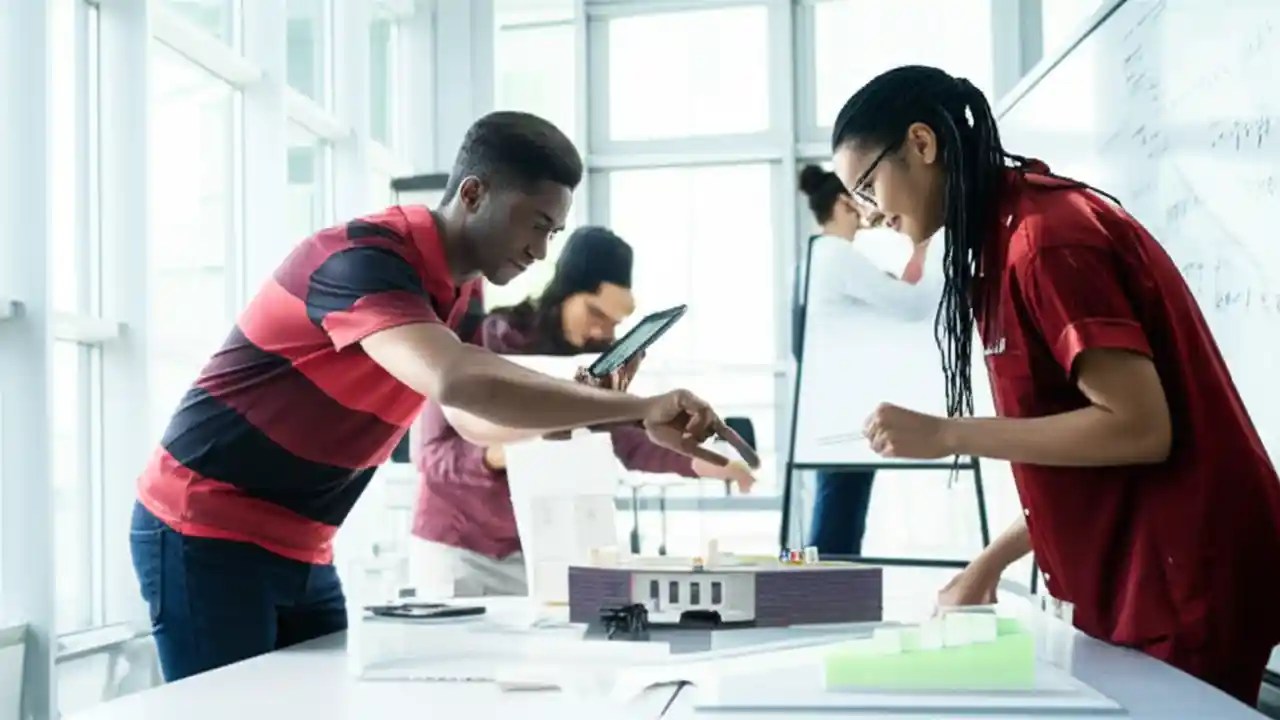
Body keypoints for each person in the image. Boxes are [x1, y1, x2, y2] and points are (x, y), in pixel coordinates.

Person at [129, 111, 753, 682]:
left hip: (302, 543)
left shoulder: (459, 288)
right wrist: (637, 408)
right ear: (473, 193)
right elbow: (456, 379)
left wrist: (596, 408)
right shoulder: (361, 258)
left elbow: (471, 418)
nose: (541, 252)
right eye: (536, 225)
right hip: (203, 522)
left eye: (554, 233)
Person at [831, 65, 1280, 704]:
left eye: (867, 187)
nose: (871, 215)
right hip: (1148, 572)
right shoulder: (1003, 238)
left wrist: (949, 434)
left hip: (1187, 576)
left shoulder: (1045, 240)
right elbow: (1071, 443)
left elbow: (1138, 428)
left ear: (922, 144)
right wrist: (989, 563)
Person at [410, 226, 756, 597]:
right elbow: (431, 456)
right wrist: (504, 453)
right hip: (457, 549)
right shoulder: (486, 341)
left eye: (613, 324)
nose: (600, 331)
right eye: (594, 313)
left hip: (534, 552)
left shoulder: (592, 370)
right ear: (565, 291)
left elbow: (631, 441)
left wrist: (718, 465)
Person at [796, 164, 941, 557]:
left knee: (838, 504)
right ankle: (829, 589)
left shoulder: (814, 257)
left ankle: (827, 586)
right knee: (841, 511)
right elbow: (912, 305)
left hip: (828, 402)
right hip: (844, 404)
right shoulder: (837, 255)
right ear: (845, 203)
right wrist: (928, 253)